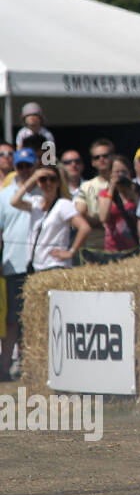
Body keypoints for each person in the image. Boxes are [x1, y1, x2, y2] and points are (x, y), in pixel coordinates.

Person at [0, 148, 38, 379]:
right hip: (12, 263)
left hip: (39, 264)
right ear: (15, 167)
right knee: (12, 320)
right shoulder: (4, 196)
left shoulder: (45, 191)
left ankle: (31, 366)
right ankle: (4, 368)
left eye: (28, 166)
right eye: (20, 166)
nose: (24, 170)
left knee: (35, 319)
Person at [10, 165, 91, 271]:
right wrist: (33, 178)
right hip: (37, 265)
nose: (48, 183)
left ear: (58, 183)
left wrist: (71, 252)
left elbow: (84, 228)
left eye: (52, 179)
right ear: (39, 182)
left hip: (55, 264)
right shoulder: (36, 202)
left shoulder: (63, 204)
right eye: (43, 179)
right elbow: (14, 202)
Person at [95, 155, 140, 258]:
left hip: (135, 247)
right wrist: (111, 188)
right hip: (113, 248)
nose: (120, 175)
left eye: (123, 172)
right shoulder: (105, 194)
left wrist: (134, 195)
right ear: (110, 174)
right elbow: (103, 218)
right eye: (117, 172)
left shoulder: (138, 191)